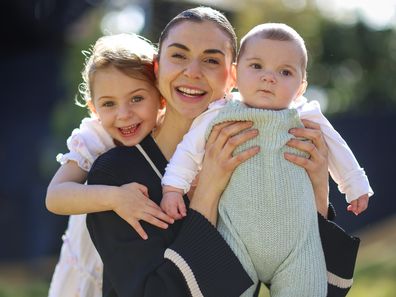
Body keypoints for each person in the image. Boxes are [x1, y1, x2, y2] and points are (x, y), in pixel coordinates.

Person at [85, 7, 360, 297]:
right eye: (178, 55)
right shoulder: (114, 173)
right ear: (157, 67)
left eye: (211, 60)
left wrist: (318, 189)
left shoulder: (255, 153)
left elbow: (322, 287)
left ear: (233, 76)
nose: (192, 72)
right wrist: (208, 191)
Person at [160, 22, 373, 296]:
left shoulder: (305, 116)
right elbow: (188, 152)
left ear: (301, 86)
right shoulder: (219, 114)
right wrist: (173, 188)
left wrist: (355, 186)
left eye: (284, 72)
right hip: (235, 239)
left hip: (298, 246)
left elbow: (338, 148)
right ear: (235, 75)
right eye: (257, 66)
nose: (268, 77)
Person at [46, 33, 174, 296]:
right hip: (90, 264)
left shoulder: (172, 134)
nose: (123, 114)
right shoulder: (96, 139)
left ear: (161, 97)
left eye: (137, 98)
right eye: (108, 104)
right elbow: (55, 197)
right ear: (94, 108)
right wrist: (116, 198)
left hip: (141, 266)